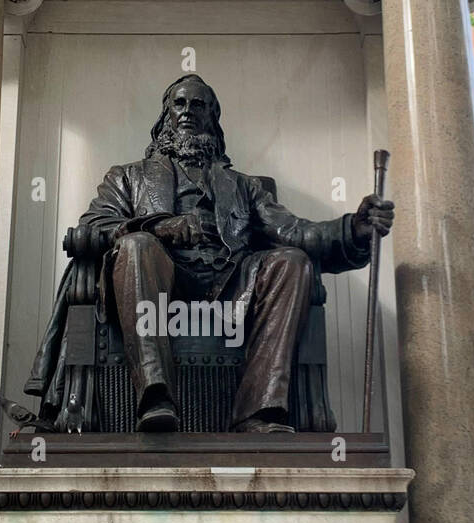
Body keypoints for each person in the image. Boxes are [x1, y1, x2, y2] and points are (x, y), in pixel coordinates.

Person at [25, 74, 395, 432]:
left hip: (231, 285)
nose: (187, 111)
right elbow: (89, 229)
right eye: (179, 103)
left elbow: (295, 232)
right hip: (155, 281)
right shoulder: (127, 177)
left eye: (198, 104)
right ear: (166, 117)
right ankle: (155, 397)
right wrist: (158, 226)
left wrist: (353, 228)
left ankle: (258, 412)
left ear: (212, 119)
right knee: (137, 246)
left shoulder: (243, 186)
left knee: (291, 261)